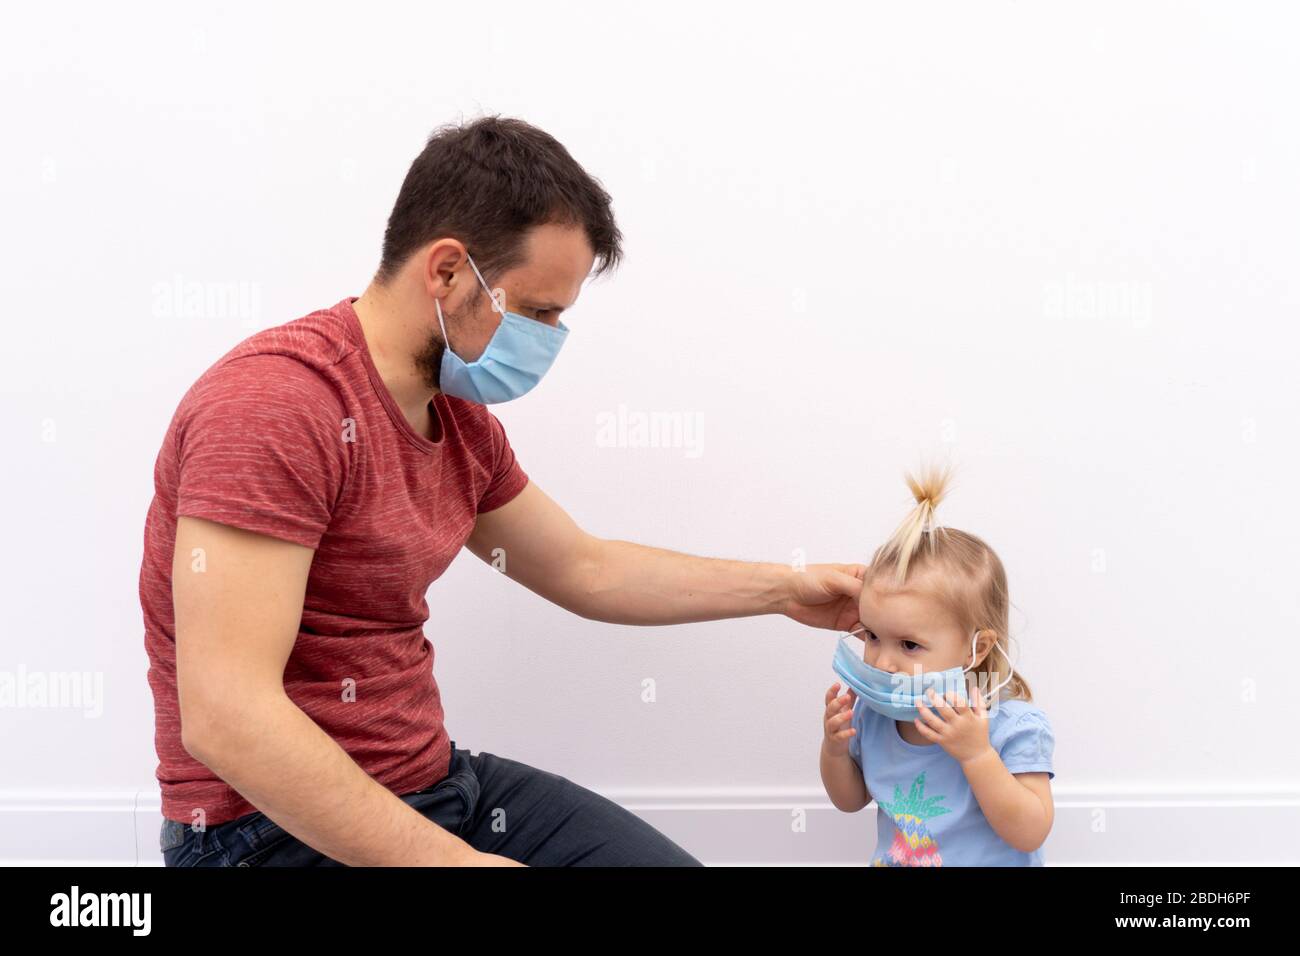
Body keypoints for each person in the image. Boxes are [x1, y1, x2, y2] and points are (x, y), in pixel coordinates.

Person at [143, 115, 866, 866]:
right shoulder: (276, 406)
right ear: (448, 271)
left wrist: (787, 588)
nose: (551, 338)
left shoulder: (456, 420)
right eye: (540, 312)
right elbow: (227, 716)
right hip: (261, 833)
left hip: (434, 785)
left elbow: (587, 569)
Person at [820, 461, 1055, 865]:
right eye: (872, 636)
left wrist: (976, 755)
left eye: (909, 645)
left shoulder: (1008, 727)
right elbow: (850, 800)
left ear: (976, 650)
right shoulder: (874, 716)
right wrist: (835, 751)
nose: (884, 662)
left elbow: (1029, 831)